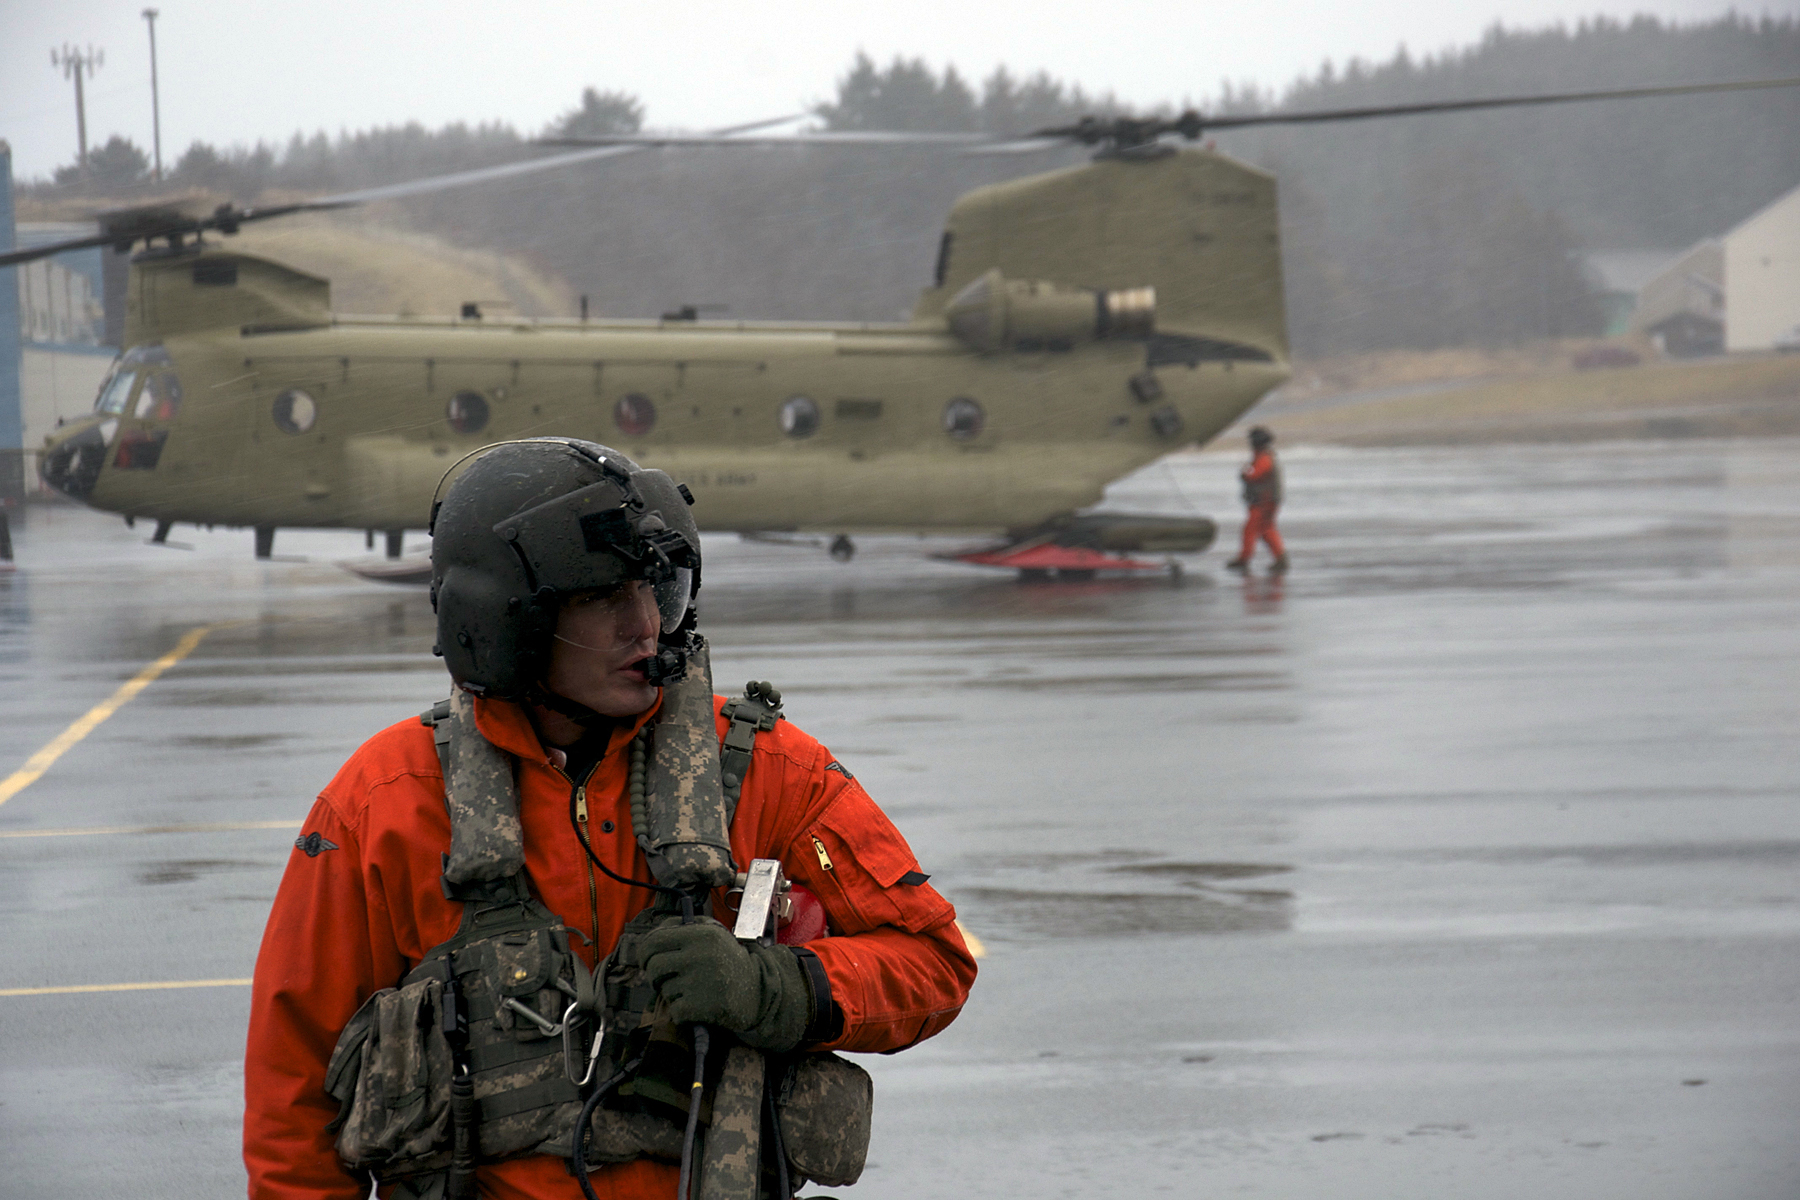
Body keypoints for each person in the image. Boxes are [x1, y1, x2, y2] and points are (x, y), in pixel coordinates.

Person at [244, 438, 976, 1200]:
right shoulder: (383, 802)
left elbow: (934, 963)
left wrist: (777, 989)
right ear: (504, 619)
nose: (645, 624)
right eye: (601, 597)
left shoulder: (769, 771)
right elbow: (292, 1102)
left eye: (654, 588)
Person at [1226, 425, 1287, 574]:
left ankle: (1244, 559)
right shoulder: (1264, 456)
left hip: (1263, 503)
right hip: (1265, 502)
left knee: (1251, 530)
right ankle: (1280, 559)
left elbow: (1253, 474)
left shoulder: (1264, 458)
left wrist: (1245, 473)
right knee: (1266, 529)